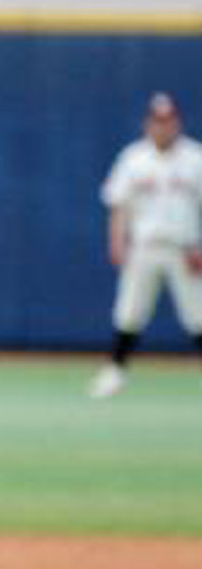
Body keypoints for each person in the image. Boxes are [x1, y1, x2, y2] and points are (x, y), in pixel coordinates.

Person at [88, 91, 202, 399]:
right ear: (148, 123)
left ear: (177, 123)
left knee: (198, 316)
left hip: (185, 249)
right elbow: (118, 205)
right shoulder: (133, 158)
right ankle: (114, 373)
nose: (162, 127)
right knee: (128, 312)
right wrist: (117, 242)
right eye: (157, 121)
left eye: (168, 121)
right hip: (145, 247)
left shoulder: (195, 158)